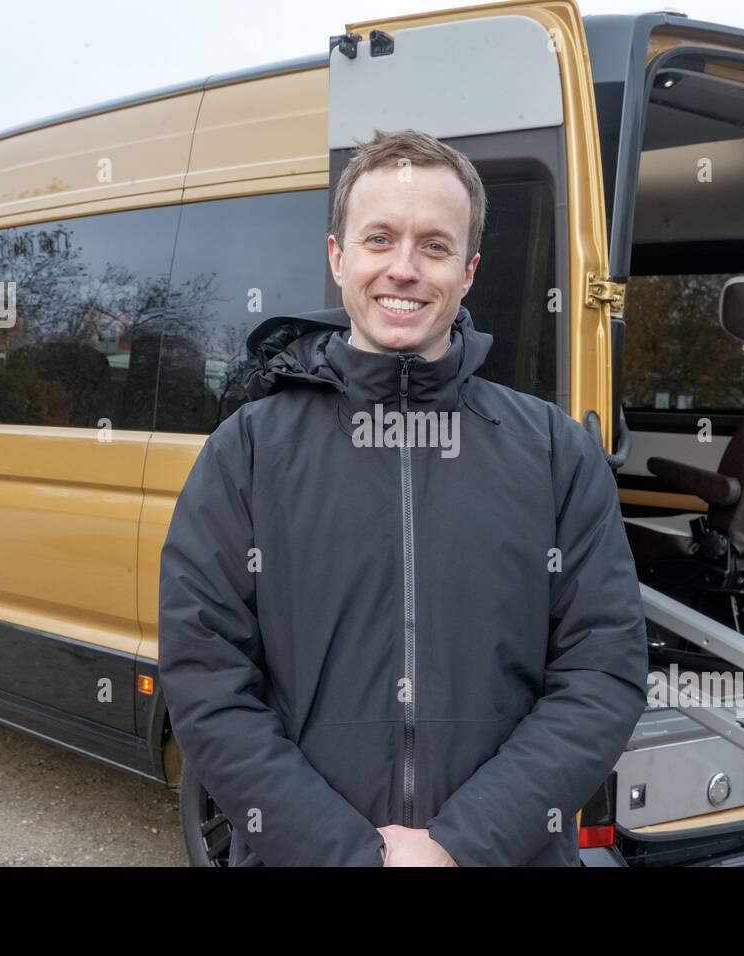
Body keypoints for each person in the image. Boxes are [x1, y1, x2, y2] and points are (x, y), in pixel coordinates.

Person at [158, 128, 649, 866]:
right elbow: (206, 679)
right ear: (338, 257)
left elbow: (602, 673)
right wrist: (350, 854)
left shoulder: (554, 453)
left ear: (470, 270)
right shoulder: (248, 453)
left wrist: (459, 847)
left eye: (435, 245)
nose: (404, 269)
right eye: (380, 238)